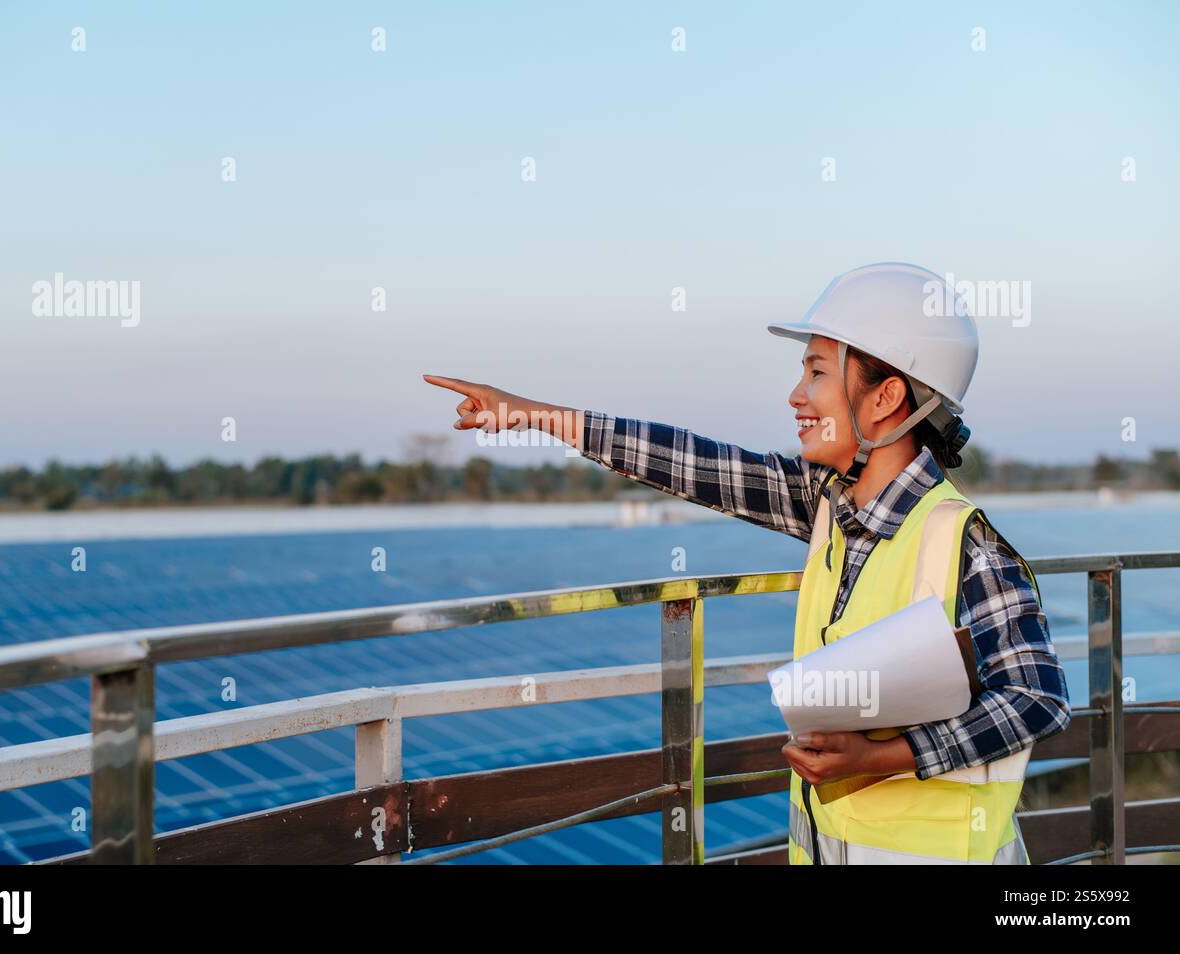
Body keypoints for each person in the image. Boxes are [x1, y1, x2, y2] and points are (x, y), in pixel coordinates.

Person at [423, 261, 1072, 865]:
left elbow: (1038, 700)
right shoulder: (824, 504)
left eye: (817, 371)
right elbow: (694, 463)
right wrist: (533, 415)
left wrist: (881, 758)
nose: (797, 394)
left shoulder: (968, 543)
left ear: (884, 398)